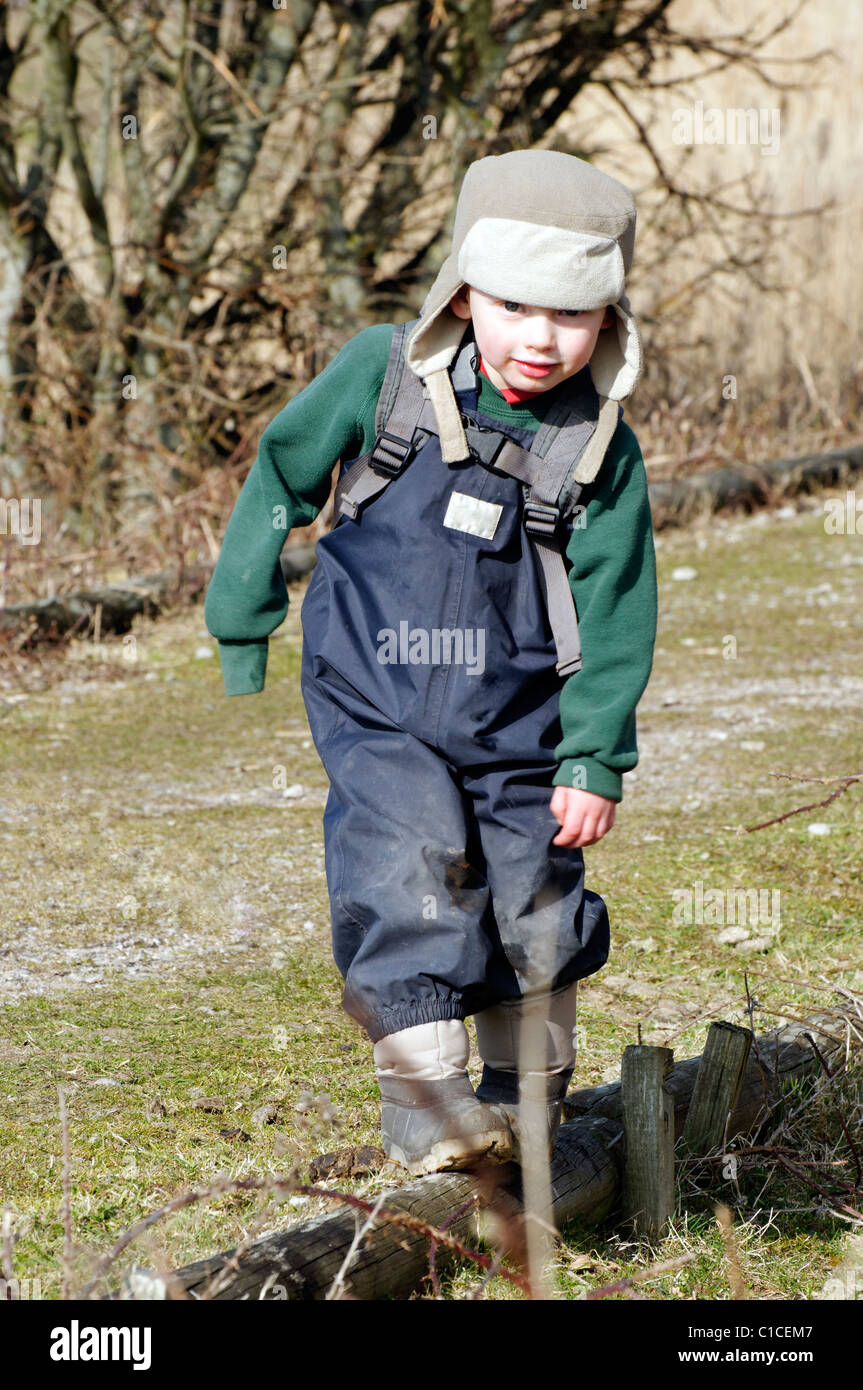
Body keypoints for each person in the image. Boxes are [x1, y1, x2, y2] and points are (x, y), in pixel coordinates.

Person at [204, 149, 658, 1177]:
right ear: (463, 289)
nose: (541, 338)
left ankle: (527, 1110)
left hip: (520, 721)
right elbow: (280, 467)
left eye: (573, 315)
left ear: (609, 321)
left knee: (532, 892)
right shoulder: (382, 375)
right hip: (377, 696)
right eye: (514, 305)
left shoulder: (593, 445)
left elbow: (617, 601)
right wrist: (244, 614)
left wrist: (592, 756)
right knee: (406, 855)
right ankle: (425, 1103)